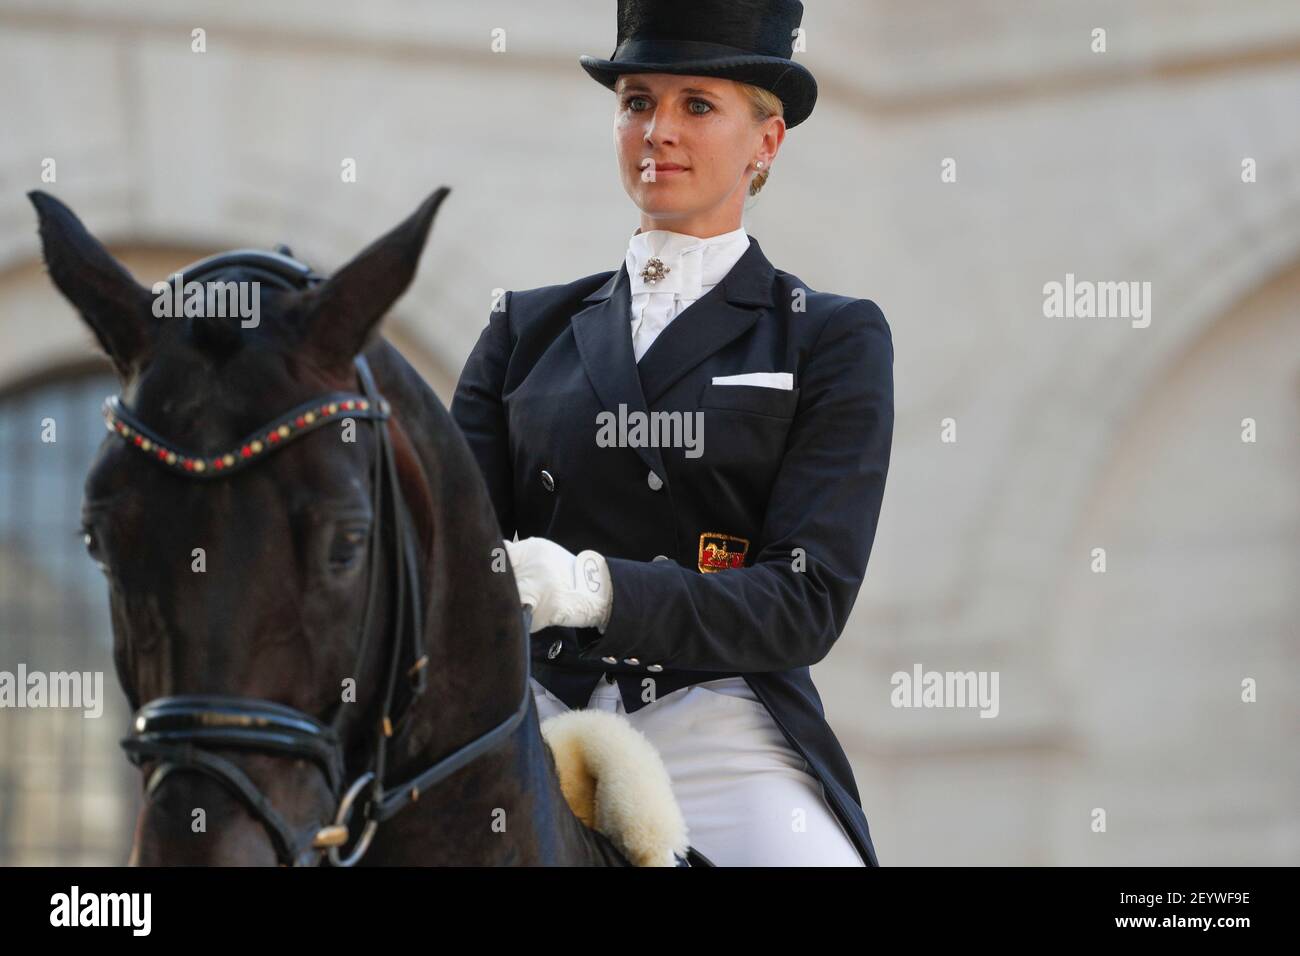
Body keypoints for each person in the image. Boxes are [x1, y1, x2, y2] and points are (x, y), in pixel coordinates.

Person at [450, 0, 894, 866]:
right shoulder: (523, 328)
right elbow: (449, 549)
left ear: (766, 142)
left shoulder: (827, 335)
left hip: (717, 726)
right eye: (636, 101)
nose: (657, 130)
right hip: (538, 710)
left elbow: (805, 601)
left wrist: (593, 589)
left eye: (697, 105)